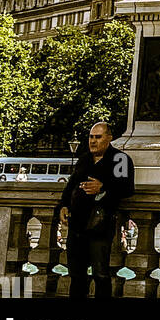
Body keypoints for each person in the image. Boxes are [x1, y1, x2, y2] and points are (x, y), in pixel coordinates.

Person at [58, 121, 134, 300]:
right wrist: (63, 205)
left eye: (98, 137)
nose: (93, 141)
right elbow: (71, 186)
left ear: (109, 138)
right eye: (91, 137)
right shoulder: (84, 159)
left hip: (100, 225)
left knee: (100, 274)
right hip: (77, 224)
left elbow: (127, 188)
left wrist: (103, 187)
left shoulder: (120, 159)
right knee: (76, 275)